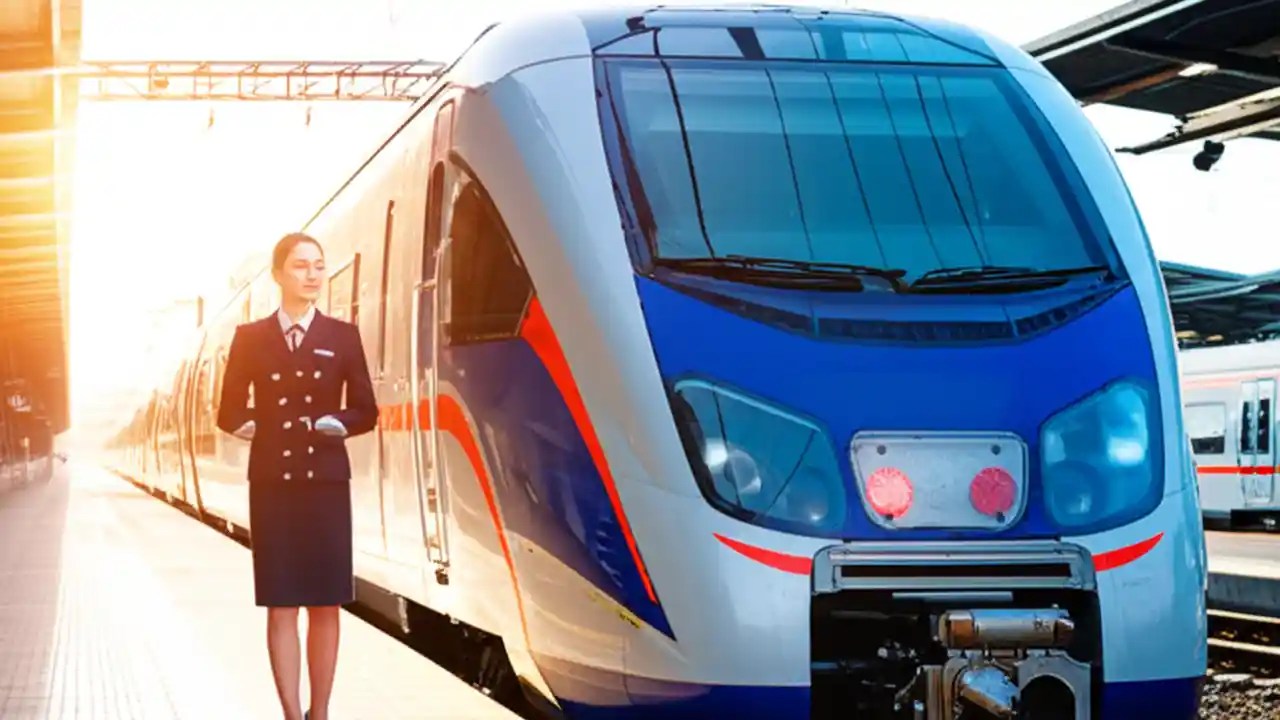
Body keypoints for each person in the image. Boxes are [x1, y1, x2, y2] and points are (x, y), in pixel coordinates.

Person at [216, 232, 377, 720]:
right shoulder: (249, 339)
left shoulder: (343, 336)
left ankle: (320, 712)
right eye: (301, 266)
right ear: (278, 274)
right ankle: (291, 713)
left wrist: (339, 424)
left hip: (327, 486)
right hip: (273, 486)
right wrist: (264, 431)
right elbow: (227, 412)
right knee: (282, 606)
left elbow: (367, 410)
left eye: (319, 266)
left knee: (326, 605)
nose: (312, 275)